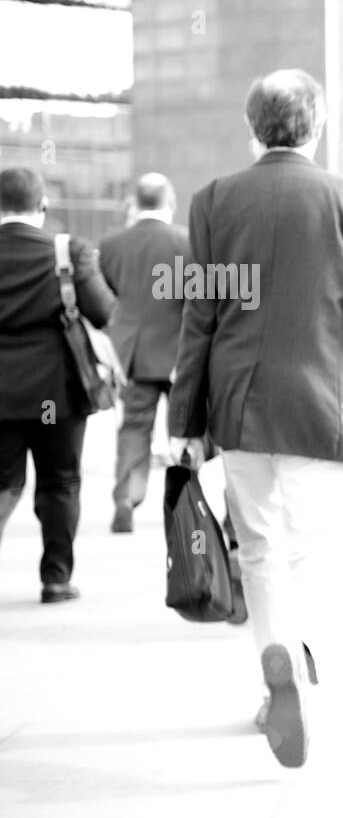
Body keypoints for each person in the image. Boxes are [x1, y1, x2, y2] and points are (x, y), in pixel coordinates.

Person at [168, 69, 343, 769]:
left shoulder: (214, 202)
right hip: (328, 406)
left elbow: (200, 317)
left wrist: (184, 422)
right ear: (316, 128)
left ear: (252, 128)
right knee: (312, 551)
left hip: (241, 404)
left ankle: (276, 665)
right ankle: (303, 667)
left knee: (258, 548)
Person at [0, 168, 116, 603]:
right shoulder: (67, 251)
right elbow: (104, 312)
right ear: (43, 205)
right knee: (59, 482)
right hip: (57, 395)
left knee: (2, 482)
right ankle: (56, 579)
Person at [100, 173, 190, 534]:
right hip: (179, 354)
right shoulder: (188, 242)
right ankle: (186, 504)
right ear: (171, 202)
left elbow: (103, 298)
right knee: (185, 428)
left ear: (133, 203)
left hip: (133, 355)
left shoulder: (110, 244)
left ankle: (126, 496)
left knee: (134, 426)